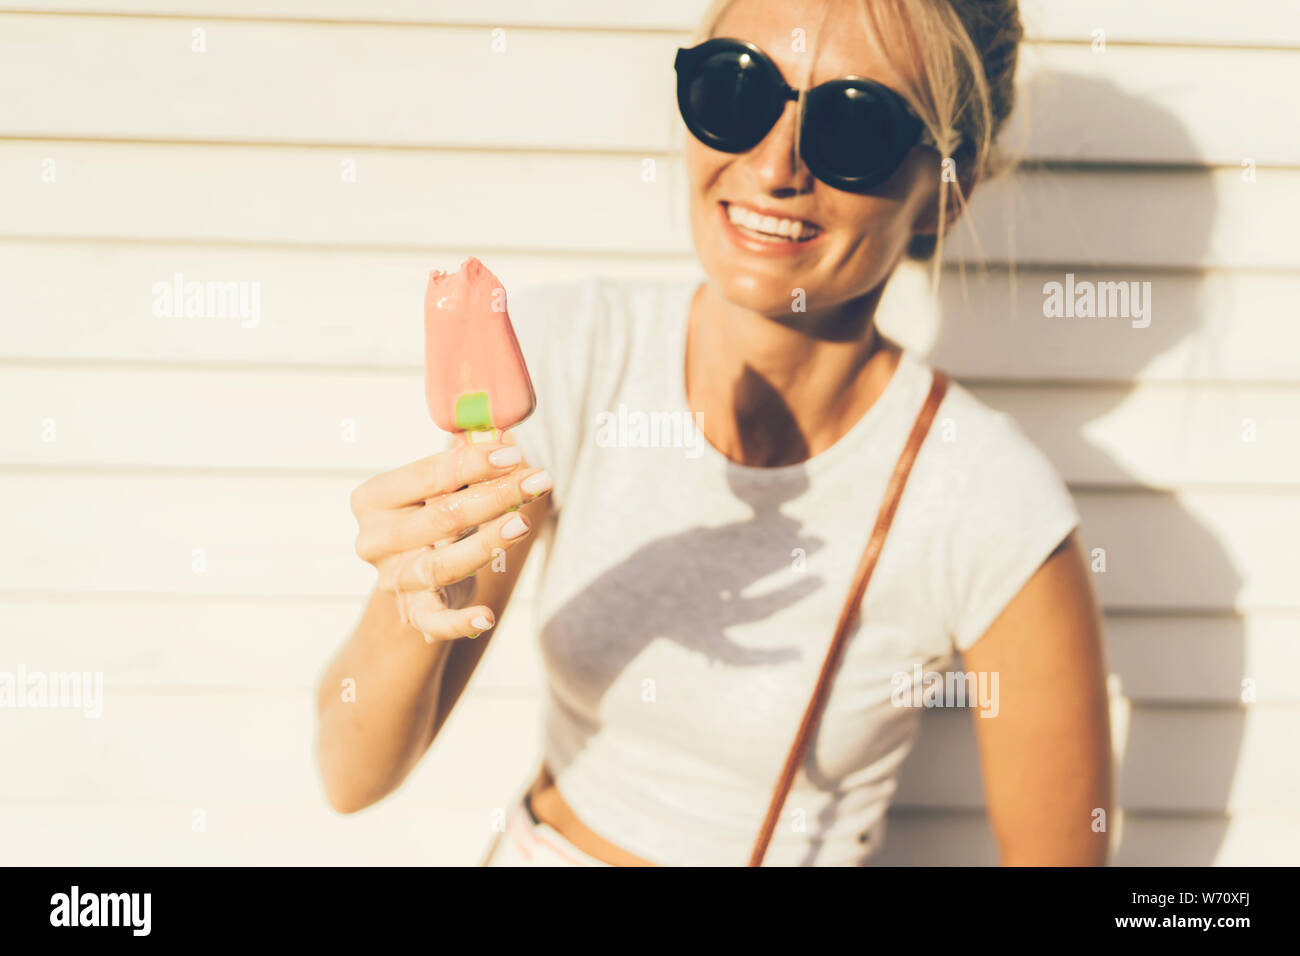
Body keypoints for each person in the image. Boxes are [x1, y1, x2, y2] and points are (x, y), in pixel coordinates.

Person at [316, 0, 1113, 866]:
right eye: (734, 90)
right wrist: (414, 595)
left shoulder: (987, 500)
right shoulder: (571, 357)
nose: (774, 165)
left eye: (854, 124)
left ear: (943, 192)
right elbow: (352, 778)